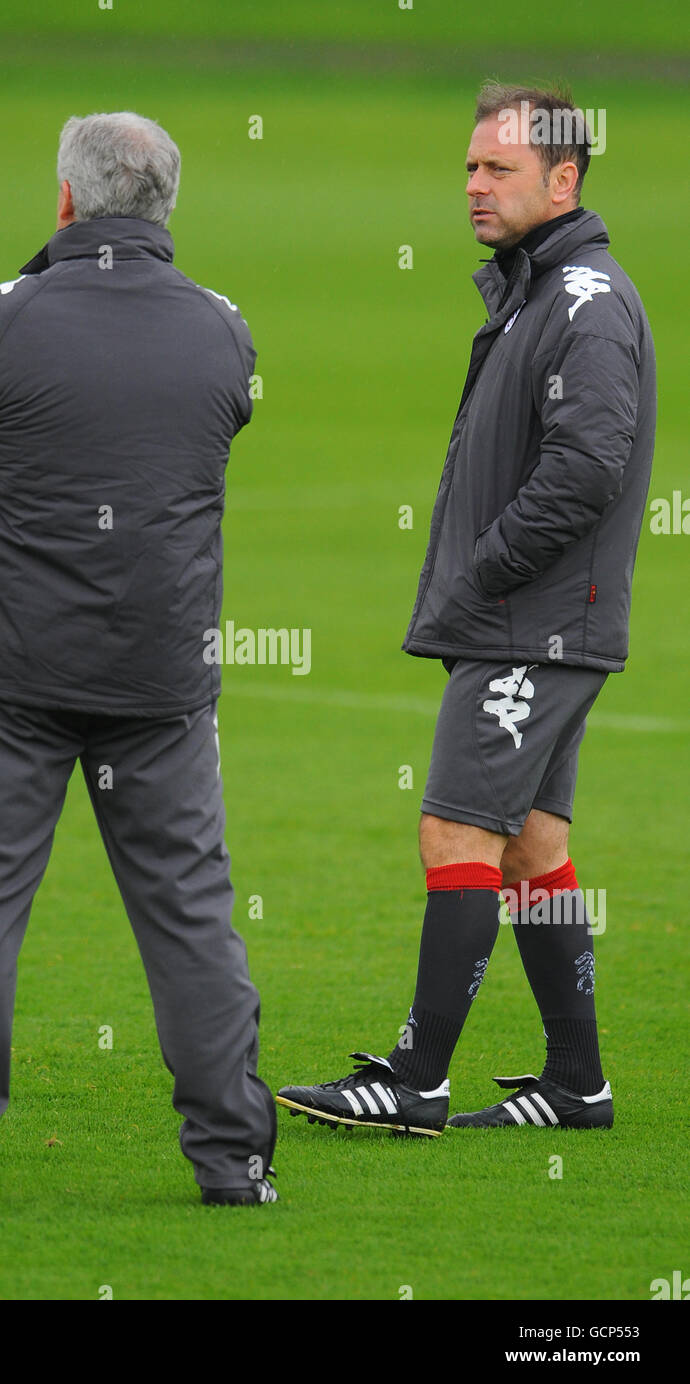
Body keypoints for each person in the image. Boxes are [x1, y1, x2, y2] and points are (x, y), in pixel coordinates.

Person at [0, 111, 278, 1207]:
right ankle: (233, 1161)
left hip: (12, 676)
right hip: (161, 683)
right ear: (167, 207)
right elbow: (210, 433)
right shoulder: (222, 330)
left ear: (62, 198)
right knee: (191, 912)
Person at [277, 83, 656, 1135]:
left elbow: (586, 467)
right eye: (467, 169)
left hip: (529, 621)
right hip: (541, 617)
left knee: (454, 825)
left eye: (495, 170)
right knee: (533, 840)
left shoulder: (580, 300)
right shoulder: (537, 291)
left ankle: (414, 1079)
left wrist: (484, 571)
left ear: (562, 178)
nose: (473, 187)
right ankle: (575, 1084)